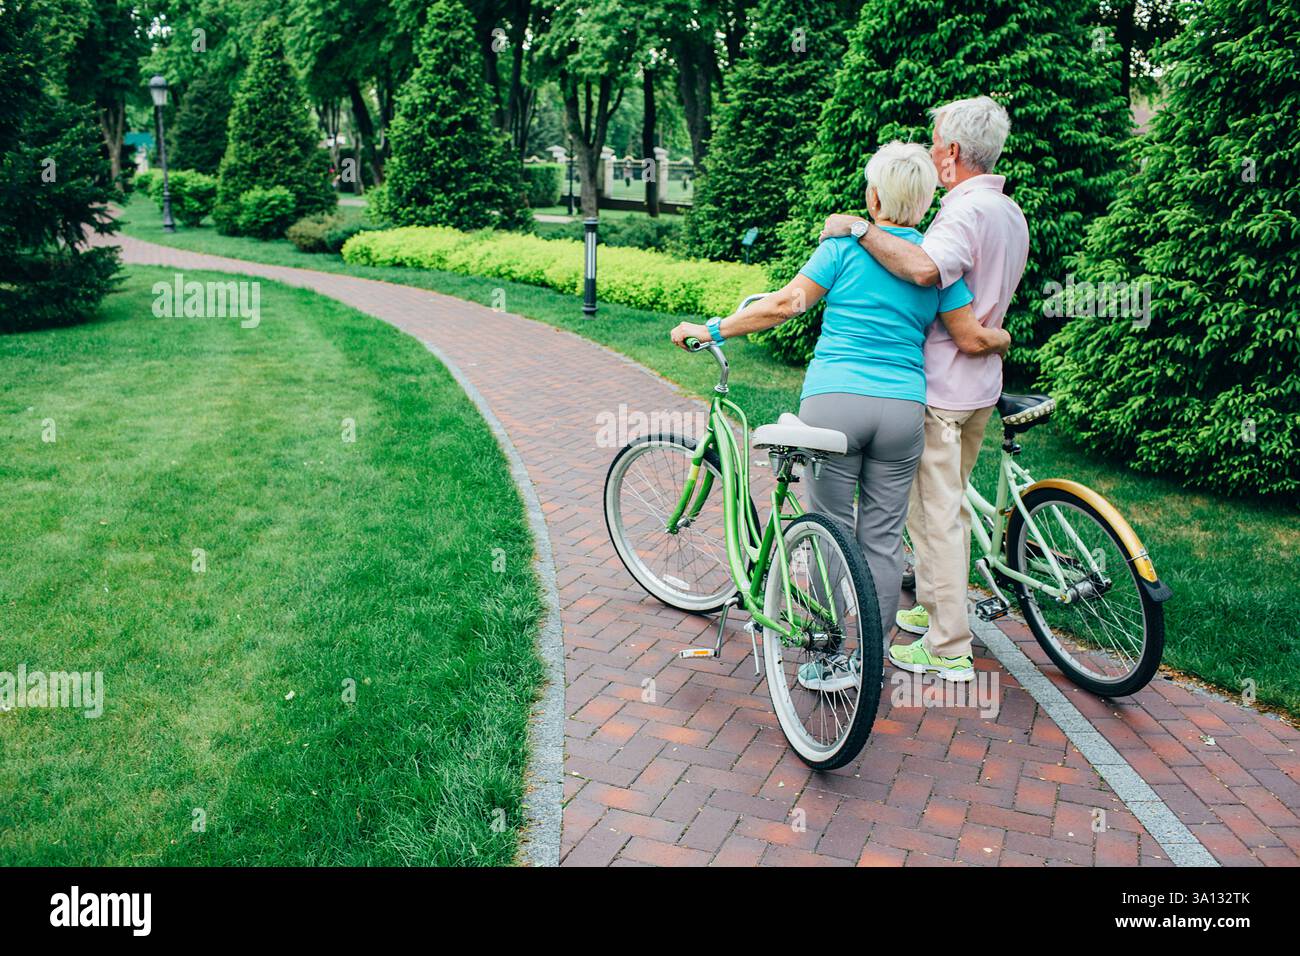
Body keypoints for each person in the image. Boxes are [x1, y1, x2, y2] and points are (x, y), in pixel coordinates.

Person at [671, 142, 1009, 691]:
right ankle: (867, 660)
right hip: (903, 410)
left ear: (873, 197)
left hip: (835, 407)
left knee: (830, 527)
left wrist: (708, 330)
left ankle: (828, 654)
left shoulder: (841, 249)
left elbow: (784, 306)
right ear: (924, 204)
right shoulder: (935, 266)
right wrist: (1006, 338)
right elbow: (970, 337)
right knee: (881, 540)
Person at [820, 96, 1030, 683]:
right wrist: (1000, 338)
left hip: (939, 388)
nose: (932, 150)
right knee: (946, 506)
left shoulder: (961, 214)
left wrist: (859, 228)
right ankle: (935, 611)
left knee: (935, 518)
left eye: (936, 142)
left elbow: (920, 272)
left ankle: (948, 647)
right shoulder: (1009, 211)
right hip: (981, 389)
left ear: (953, 152)